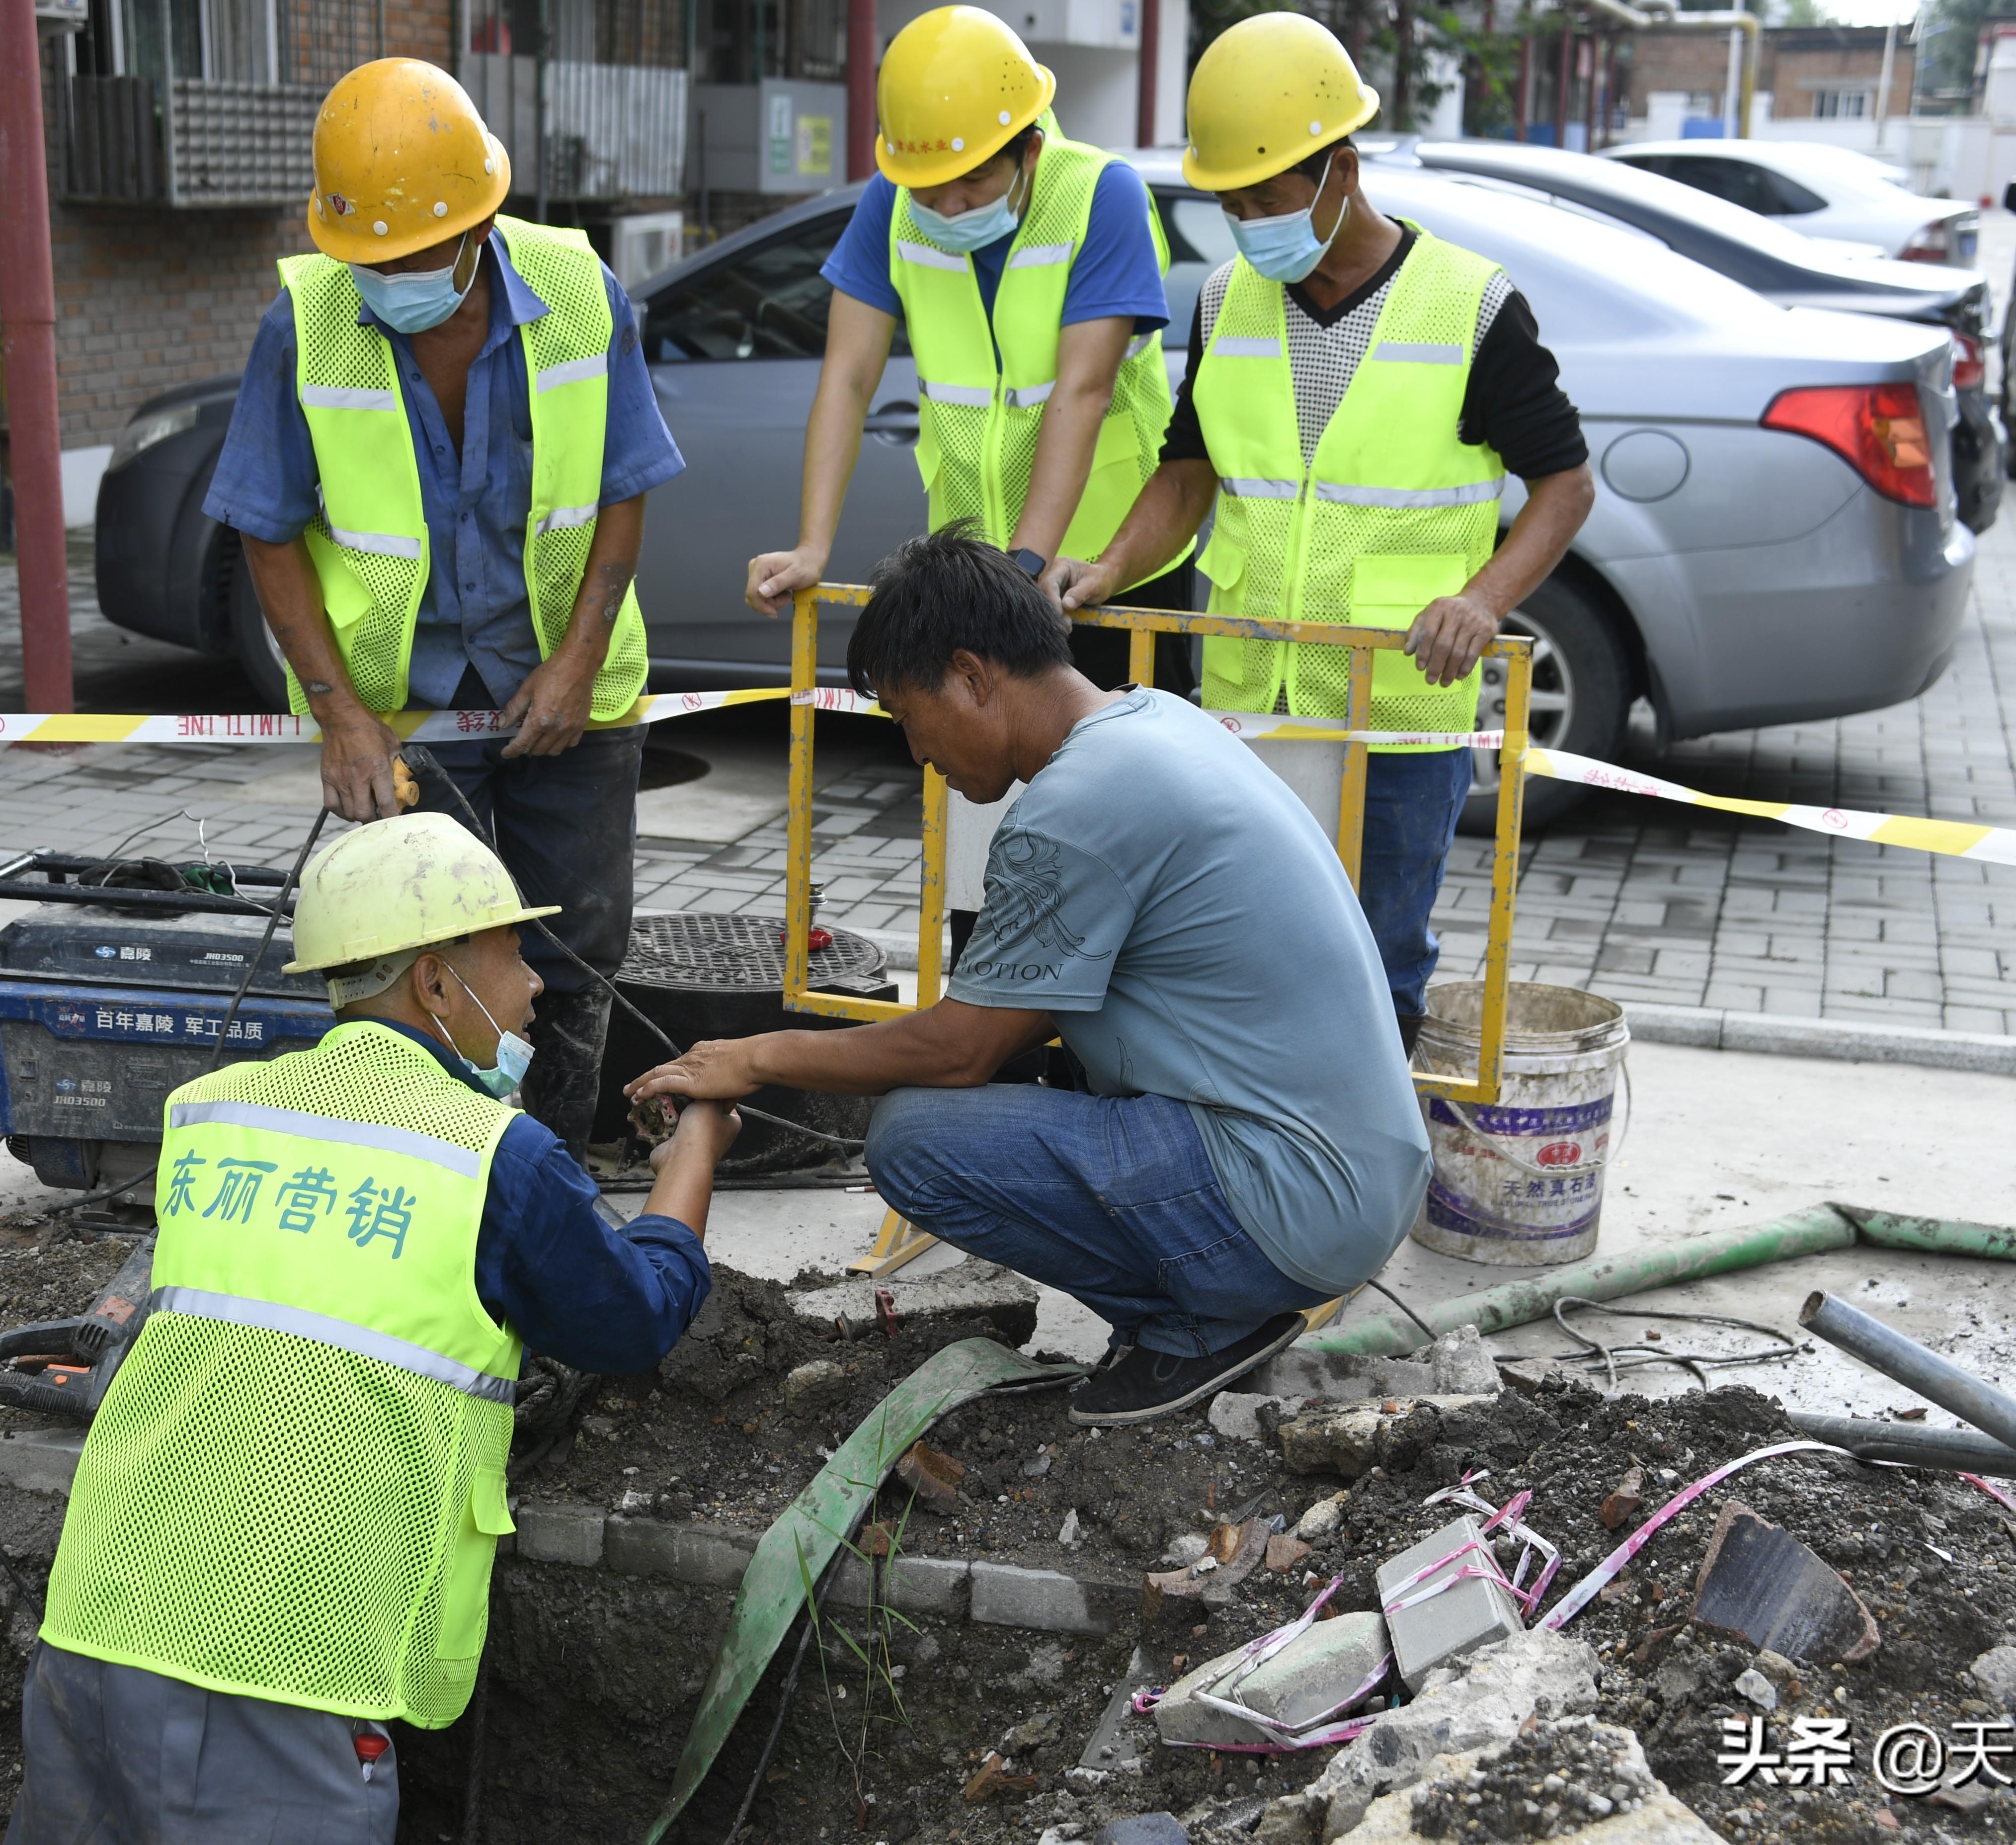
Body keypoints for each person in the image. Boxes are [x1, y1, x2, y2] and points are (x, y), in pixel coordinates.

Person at [7, 812, 736, 1845]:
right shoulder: (493, 1155)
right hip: (272, 1669)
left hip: (95, 1623)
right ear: (437, 984)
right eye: (511, 951)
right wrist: (692, 1157)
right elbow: (636, 1316)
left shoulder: (214, 1111)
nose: (534, 984)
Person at [630, 529, 1429, 1426]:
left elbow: (960, 1051)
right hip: (1356, 1173)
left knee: (916, 1142)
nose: (916, 751)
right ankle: (1210, 1296)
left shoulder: (1077, 806)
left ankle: (1199, 1324)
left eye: (907, 714)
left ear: (972, 676)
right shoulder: (1156, 721)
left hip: (1293, 1194)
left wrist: (757, 1058)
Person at [1043, 13, 1596, 1050]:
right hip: (1252, 710)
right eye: (1232, 202)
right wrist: (1112, 562)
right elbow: (1190, 468)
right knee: (1246, 951)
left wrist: (1482, 600)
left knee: (1376, 960)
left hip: (1394, 712)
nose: (1250, 223)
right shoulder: (1225, 300)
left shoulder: (1469, 308)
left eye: (1267, 199)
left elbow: (1564, 484)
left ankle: (1358, 1175)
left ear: (1343, 171)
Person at [203, 58, 684, 1155]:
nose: (395, 277)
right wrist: (339, 713)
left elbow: (623, 492)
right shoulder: (308, 322)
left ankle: (551, 1170)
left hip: (571, 691)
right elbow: (265, 531)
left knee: (573, 950)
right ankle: (434, 1178)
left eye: (421, 254)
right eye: (372, 258)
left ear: (481, 224)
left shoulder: (576, 293)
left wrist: (574, 664)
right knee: (418, 954)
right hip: (402, 710)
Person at [743, 3, 1187, 690]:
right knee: (977, 791)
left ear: (1029, 150)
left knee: (1113, 787)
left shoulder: (1101, 195)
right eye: (929, 186)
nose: (947, 206)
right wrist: (812, 544)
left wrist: (1028, 565)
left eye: (974, 180)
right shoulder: (890, 202)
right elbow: (849, 376)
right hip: (976, 574)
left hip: (1105, 574)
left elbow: (1084, 389)